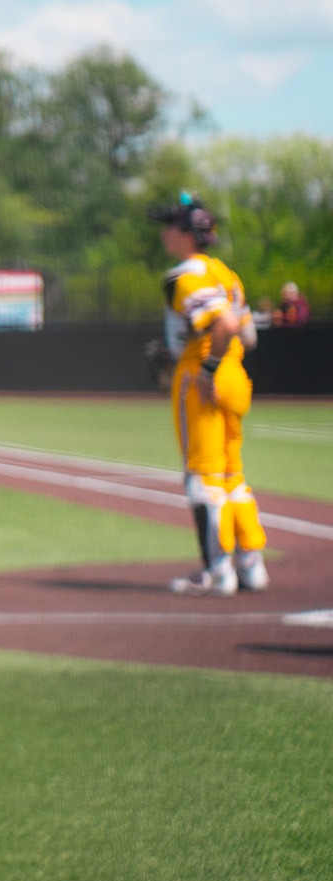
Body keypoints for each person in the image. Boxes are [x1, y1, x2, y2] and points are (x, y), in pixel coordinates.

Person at [153, 191, 269, 596]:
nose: (165, 233)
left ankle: (218, 570)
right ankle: (251, 563)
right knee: (232, 474)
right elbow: (248, 335)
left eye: (170, 226)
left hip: (204, 373)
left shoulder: (183, 275)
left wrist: (205, 368)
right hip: (236, 375)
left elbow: (223, 326)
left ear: (187, 234)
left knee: (203, 479)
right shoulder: (227, 274)